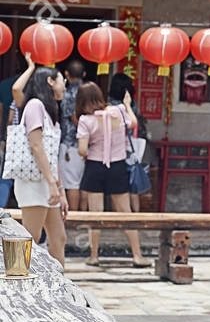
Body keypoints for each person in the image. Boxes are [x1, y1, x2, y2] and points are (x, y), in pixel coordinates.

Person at [76, 83, 147, 267]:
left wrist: (91, 148)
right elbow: (134, 123)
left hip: (95, 166)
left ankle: (94, 255)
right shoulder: (119, 111)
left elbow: (82, 150)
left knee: (95, 213)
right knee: (125, 213)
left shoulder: (86, 120)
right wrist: (128, 105)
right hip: (117, 166)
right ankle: (137, 255)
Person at [14, 66, 67, 268]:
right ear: (51, 82)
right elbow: (36, 145)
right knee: (30, 236)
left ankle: (59, 288)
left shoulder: (50, 110)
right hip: (34, 182)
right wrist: (53, 185)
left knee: (58, 238)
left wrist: (60, 189)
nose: (65, 85)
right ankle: (16, 283)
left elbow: (53, 155)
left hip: (48, 182)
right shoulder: (35, 105)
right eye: (62, 79)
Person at [0, 54, 38, 209]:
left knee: (6, 178)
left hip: (15, 143)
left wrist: (5, 138)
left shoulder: (14, 101)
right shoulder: (38, 101)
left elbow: (8, 120)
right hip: (33, 146)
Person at [108, 73, 147, 212]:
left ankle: (116, 216)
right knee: (132, 184)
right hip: (130, 149)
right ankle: (135, 215)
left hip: (114, 150)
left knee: (116, 188)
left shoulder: (108, 105)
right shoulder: (131, 105)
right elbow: (135, 123)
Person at [59, 58, 87, 212]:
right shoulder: (91, 92)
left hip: (71, 143)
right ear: (84, 74)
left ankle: (73, 217)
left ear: (66, 74)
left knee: (71, 184)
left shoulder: (68, 94)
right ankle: (82, 214)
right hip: (87, 143)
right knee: (82, 182)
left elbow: (73, 119)